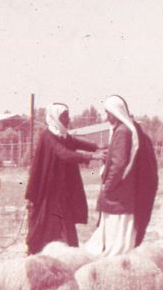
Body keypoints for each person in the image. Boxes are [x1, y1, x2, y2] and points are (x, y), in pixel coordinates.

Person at [24, 103, 105, 255]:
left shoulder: (63, 135)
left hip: (62, 192)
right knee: (44, 225)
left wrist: (98, 147)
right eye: (64, 116)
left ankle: (68, 253)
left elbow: (77, 142)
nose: (67, 119)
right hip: (47, 192)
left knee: (65, 225)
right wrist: (92, 156)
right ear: (55, 118)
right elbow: (63, 153)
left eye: (68, 115)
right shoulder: (47, 136)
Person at [85, 95, 159, 257]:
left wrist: (108, 186)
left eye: (108, 113)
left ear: (115, 112)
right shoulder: (126, 129)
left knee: (116, 232)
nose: (107, 117)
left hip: (118, 192)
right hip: (124, 191)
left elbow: (119, 165)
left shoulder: (122, 131)